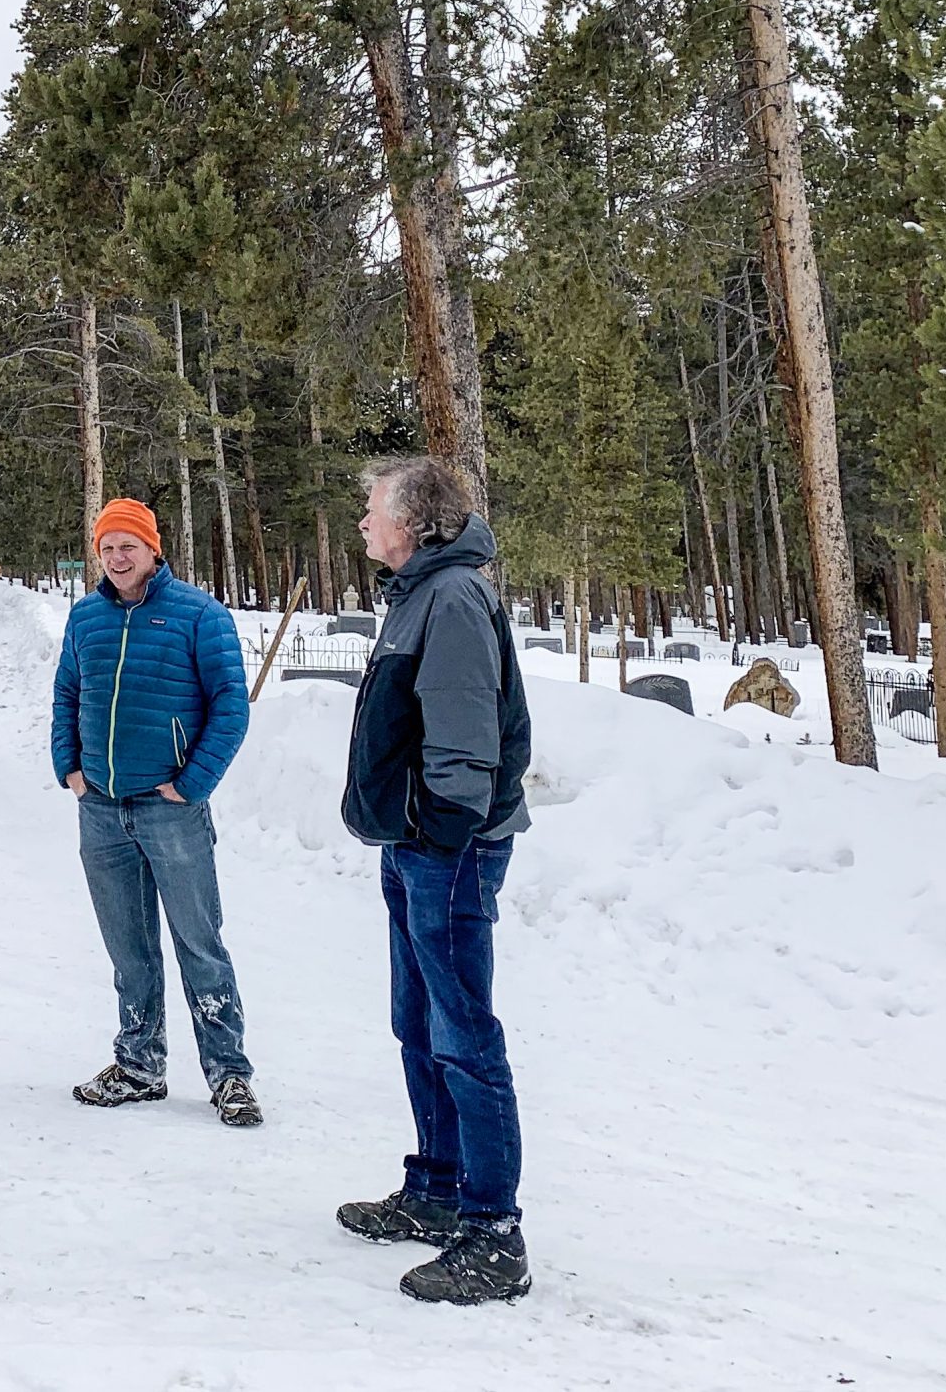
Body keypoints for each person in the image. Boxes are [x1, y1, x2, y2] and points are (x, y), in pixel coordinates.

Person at [334, 456, 534, 1305]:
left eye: (373, 511)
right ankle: (438, 1187)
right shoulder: (418, 590)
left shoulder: (451, 598)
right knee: (417, 1019)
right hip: (416, 842)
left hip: (446, 848)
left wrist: (439, 827)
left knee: (462, 1032)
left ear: (413, 522)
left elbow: (463, 736)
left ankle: (495, 1232)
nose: (363, 524)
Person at [51, 496, 259, 1128]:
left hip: (170, 810)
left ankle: (229, 1075)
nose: (117, 557)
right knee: (129, 948)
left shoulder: (199, 615)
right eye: (107, 547)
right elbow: (66, 691)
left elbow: (231, 705)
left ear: (153, 549)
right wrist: (69, 765)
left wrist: (192, 783)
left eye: (128, 546)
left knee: (200, 943)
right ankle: (139, 1064)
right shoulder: (85, 617)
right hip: (102, 810)